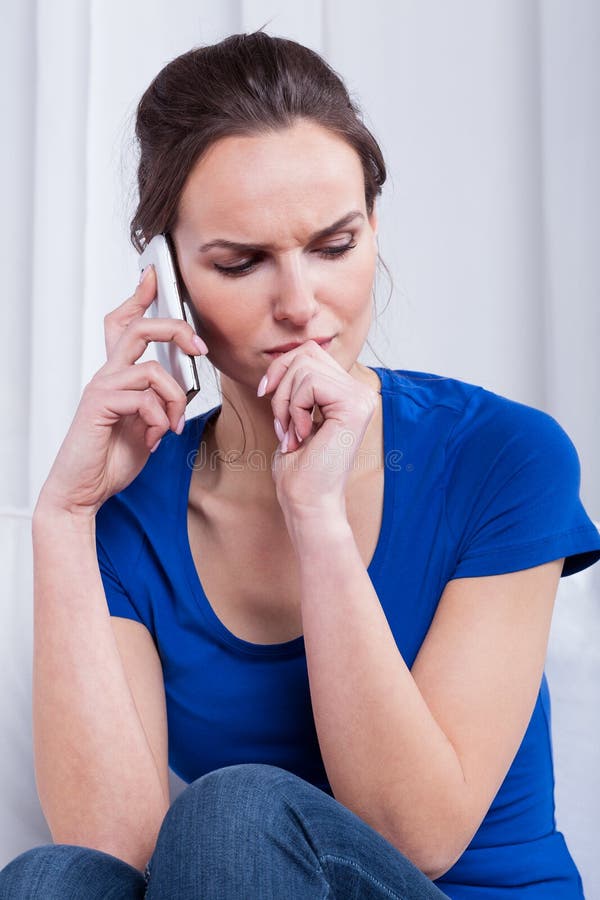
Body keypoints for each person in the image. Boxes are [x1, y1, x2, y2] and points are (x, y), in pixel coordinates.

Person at [2, 28, 599, 900]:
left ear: (373, 229)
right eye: (241, 263)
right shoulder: (136, 510)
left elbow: (417, 833)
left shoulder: (502, 456)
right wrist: (65, 518)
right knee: (53, 879)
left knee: (233, 812)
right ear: (167, 281)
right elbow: (119, 862)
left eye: (334, 246)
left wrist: (314, 514)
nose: (301, 305)